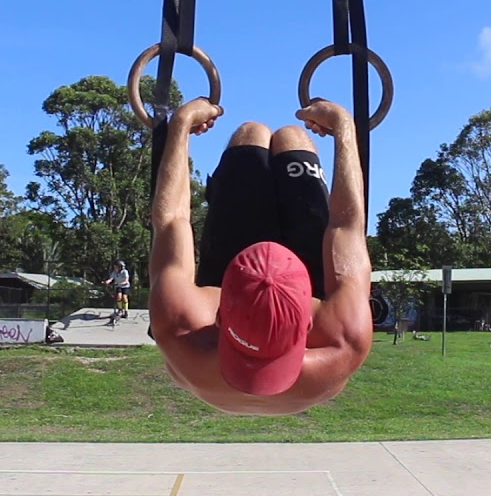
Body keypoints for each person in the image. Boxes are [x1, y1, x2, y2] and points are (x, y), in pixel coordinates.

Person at [148, 97, 373, 415]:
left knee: (251, 134)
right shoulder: (341, 341)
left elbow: (172, 220)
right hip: (308, 268)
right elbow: (346, 226)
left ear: (220, 314)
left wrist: (182, 123)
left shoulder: (183, 328)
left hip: (231, 262)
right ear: (309, 323)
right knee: (292, 138)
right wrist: (344, 128)